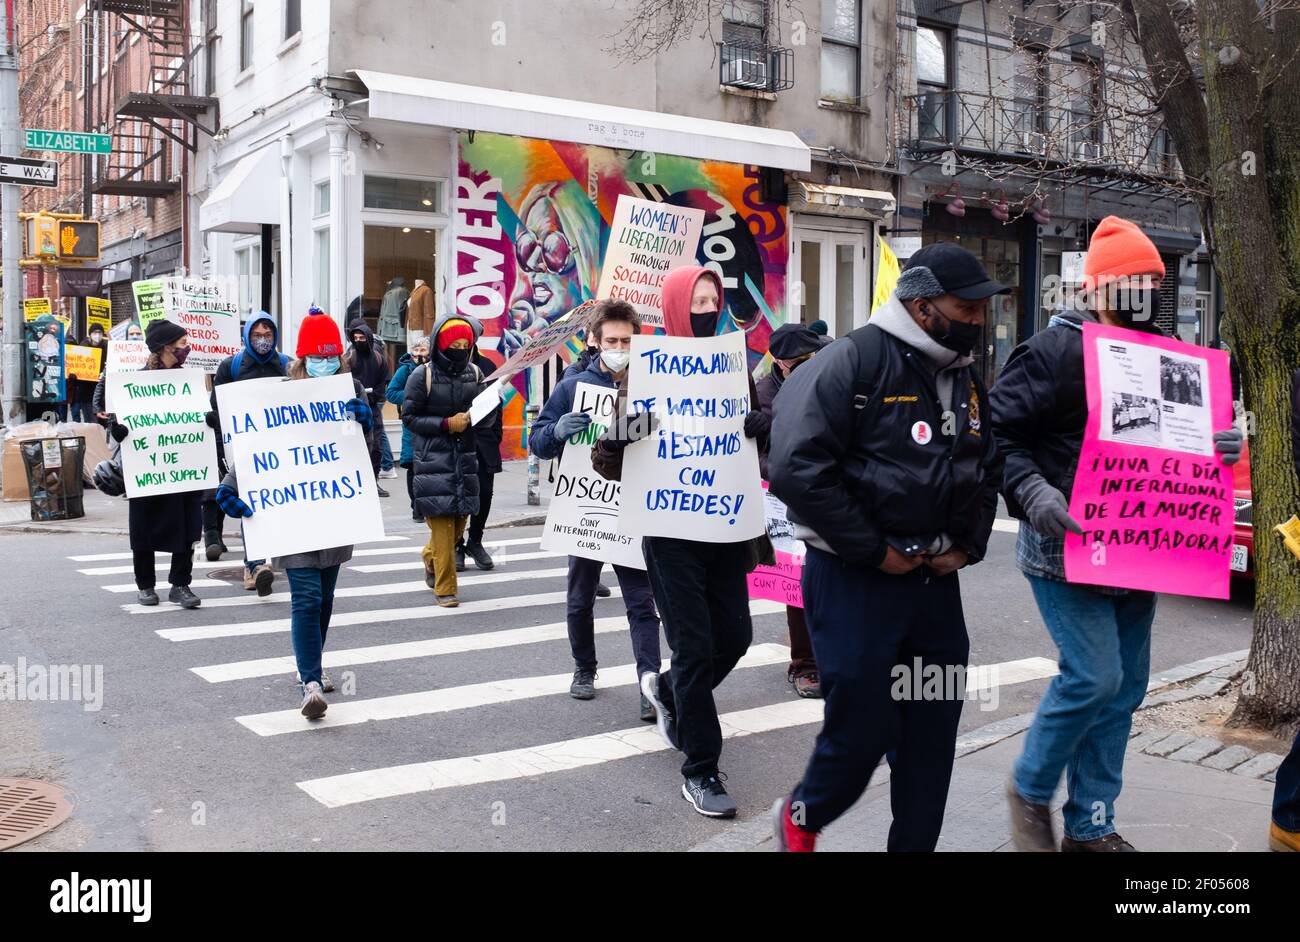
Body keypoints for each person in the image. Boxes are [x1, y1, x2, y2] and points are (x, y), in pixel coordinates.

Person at [991, 216, 1243, 852]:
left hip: (1145, 552)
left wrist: (1220, 445)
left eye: (1153, 281)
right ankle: (1029, 786)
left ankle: (1091, 825)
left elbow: (1184, 454)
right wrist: (1032, 492)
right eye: (1132, 280)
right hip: (1063, 550)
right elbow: (998, 437)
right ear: (1098, 287)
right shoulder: (1051, 352)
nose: (1144, 292)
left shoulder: (1170, 355)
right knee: (1094, 677)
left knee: (1125, 689)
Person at [766, 242, 1004, 852]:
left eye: (982, 310)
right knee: (864, 726)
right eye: (966, 308)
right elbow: (796, 469)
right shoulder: (851, 361)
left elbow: (987, 465)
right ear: (923, 306)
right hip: (855, 582)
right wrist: (875, 551)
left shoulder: (964, 374)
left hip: (934, 591)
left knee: (931, 737)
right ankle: (804, 813)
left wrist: (967, 546)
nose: (979, 321)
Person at [592, 266, 761, 818]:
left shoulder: (738, 369)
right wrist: (625, 433)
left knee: (734, 637)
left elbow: (755, 447)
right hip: (670, 533)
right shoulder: (647, 373)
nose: (709, 310)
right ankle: (701, 769)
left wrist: (763, 426)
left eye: (715, 301)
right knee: (692, 645)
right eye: (698, 303)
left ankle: (666, 690)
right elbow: (606, 460)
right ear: (673, 308)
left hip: (725, 525)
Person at [215, 309, 372, 719]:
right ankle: (311, 682)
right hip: (292, 516)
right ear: (302, 358)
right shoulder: (282, 391)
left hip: (334, 513)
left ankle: (312, 665)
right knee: (305, 598)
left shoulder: (351, 389)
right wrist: (231, 488)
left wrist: (365, 425)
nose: (326, 364)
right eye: (317, 357)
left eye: (332, 357)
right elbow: (260, 443)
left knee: (325, 599)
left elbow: (362, 459)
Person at [530, 299, 663, 720]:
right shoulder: (572, 386)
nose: (619, 347)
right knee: (579, 598)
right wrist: (556, 429)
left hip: (632, 509)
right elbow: (537, 441)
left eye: (626, 340)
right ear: (595, 340)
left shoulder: (652, 385)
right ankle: (584, 669)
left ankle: (649, 683)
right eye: (612, 340)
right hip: (584, 506)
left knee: (642, 603)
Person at [745, 322, 828, 699]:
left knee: (832, 583)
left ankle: (832, 659)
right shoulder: (763, 393)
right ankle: (805, 665)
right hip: (785, 499)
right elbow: (755, 456)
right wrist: (768, 430)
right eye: (800, 362)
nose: (811, 365)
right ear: (781, 364)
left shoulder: (828, 378)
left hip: (828, 494)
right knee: (798, 586)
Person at [110, 319, 206, 610]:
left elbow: (202, 416)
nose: (186, 349)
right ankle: (146, 585)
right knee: (144, 527)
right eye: (181, 344)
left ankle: (180, 584)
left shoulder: (189, 382)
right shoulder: (136, 383)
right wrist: (120, 431)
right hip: (149, 470)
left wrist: (209, 422)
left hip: (183, 468)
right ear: (166, 347)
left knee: (188, 526)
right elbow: (121, 421)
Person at [206, 312, 290, 594]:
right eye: (257, 335)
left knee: (275, 504)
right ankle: (255, 565)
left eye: (268, 335)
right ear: (247, 337)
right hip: (247, 448)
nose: (263, 340)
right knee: (251, 507)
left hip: (280, 447)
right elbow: (218, 409)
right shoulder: (231, 366)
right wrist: (221, 446)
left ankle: (257, 565)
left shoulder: (287, 365)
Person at [403, 316, 483, 607]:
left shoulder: (474, 373)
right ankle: (445, 589)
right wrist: (447, 424)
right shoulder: (420, 375)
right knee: (443, 527)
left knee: (458, 526)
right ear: (440, 345)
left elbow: (486, 415)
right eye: (455, 345)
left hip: (464, 460)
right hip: (433, 462)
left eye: (466, 345)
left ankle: (430, 557)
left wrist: (483, 412)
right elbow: (409, 418)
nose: (460, 350)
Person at [456, 331, 505, 571]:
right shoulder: (445, 366)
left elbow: (497, 401)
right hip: (456, 441)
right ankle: (456, 544)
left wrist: (495, 436)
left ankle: (475, 540)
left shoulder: (486, 365)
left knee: (484, 493)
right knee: (458, 494)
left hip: (484, 442)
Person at [345, 320, 392, 497]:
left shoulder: (378, 358)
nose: (358, 341)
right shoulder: (349, 358)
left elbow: (383, 382)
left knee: (376, 448)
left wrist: (375, 396)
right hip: (354, 411)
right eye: (355, 338)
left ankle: (374, 482)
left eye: (362, 337)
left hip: (373, 408)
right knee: (355, 446)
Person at [387, 335, 430, 522]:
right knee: (413, 466)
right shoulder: (405, 370)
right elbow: (391, 393)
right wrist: (413, 395)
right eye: (416, 350)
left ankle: (428, 504)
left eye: (423, 350)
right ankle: (416, 507)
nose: (419, 354)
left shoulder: (434, 369)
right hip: (411, 425)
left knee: (429, 467)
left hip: (431, 422)